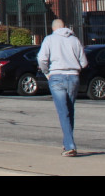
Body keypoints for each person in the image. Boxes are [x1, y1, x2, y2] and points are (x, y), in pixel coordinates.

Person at [37, 18, 88, 156]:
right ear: (64, 27)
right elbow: (83, 62)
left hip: (56, 76)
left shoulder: (49, 39)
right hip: (73, 76)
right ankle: (67, 143)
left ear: (53, 28)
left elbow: (42, 59)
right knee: (70, 110)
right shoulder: (75, 40)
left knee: (62, 111)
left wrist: (46, 72)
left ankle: (70, 145)